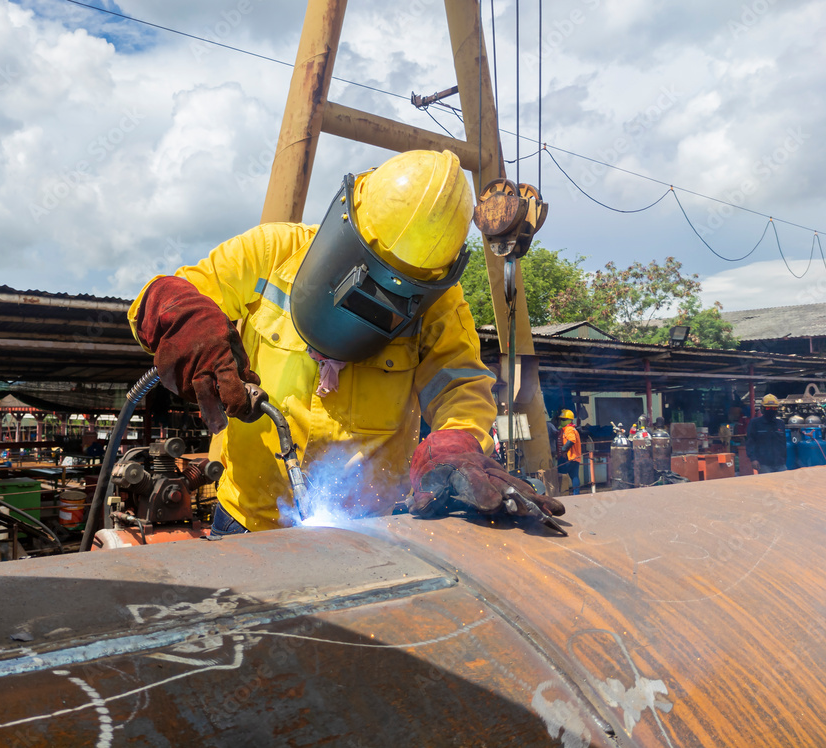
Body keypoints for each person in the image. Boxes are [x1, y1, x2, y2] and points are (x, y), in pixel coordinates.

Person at [128, 150, 564, 535]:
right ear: (344, 222)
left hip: (369, 530)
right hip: (249, 520)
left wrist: (455, 441)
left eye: (397, 289)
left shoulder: (439, 304)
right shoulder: (272, 251)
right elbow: (163, 295)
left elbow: (461, 386)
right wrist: (185, 319)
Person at [746, 394, 787, 473]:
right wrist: (753, 459)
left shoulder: (780, 424)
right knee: (768, 484)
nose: (771, 410)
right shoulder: (755, 423)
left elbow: (783, 444)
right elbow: (750, 442)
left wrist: (783, 460)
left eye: (774, 408)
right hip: (764, 464)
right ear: (762, 409)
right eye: (768, 408)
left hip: (780, 464)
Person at [555, 409, 581, 495]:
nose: (561, 421)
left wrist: (563, 449)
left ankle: (562, 492)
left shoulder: (569, 429)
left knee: (560, 472)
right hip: (575, 458)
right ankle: (576, 494)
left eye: (563, 419)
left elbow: (571, 440)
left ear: (569, 420)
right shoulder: (566, 429)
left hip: (569, 457)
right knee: (574, 476)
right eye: (561, 419)